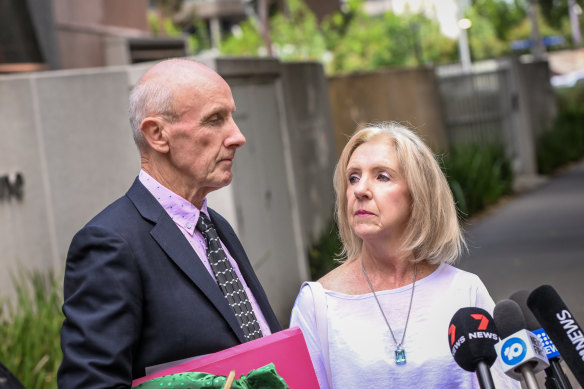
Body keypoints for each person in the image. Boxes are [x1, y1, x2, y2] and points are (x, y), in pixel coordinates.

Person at [58, 59, 282, 388]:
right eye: (215, 120)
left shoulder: (215, 226)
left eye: (231, 117)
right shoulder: (110, 244)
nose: (237, 136)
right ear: (158, 135)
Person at [290, 122, 519, 388]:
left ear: (417, 194)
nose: (359, 190)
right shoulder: (317, 304)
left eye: (381, 176)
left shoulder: (464, 292)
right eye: (353, 177)